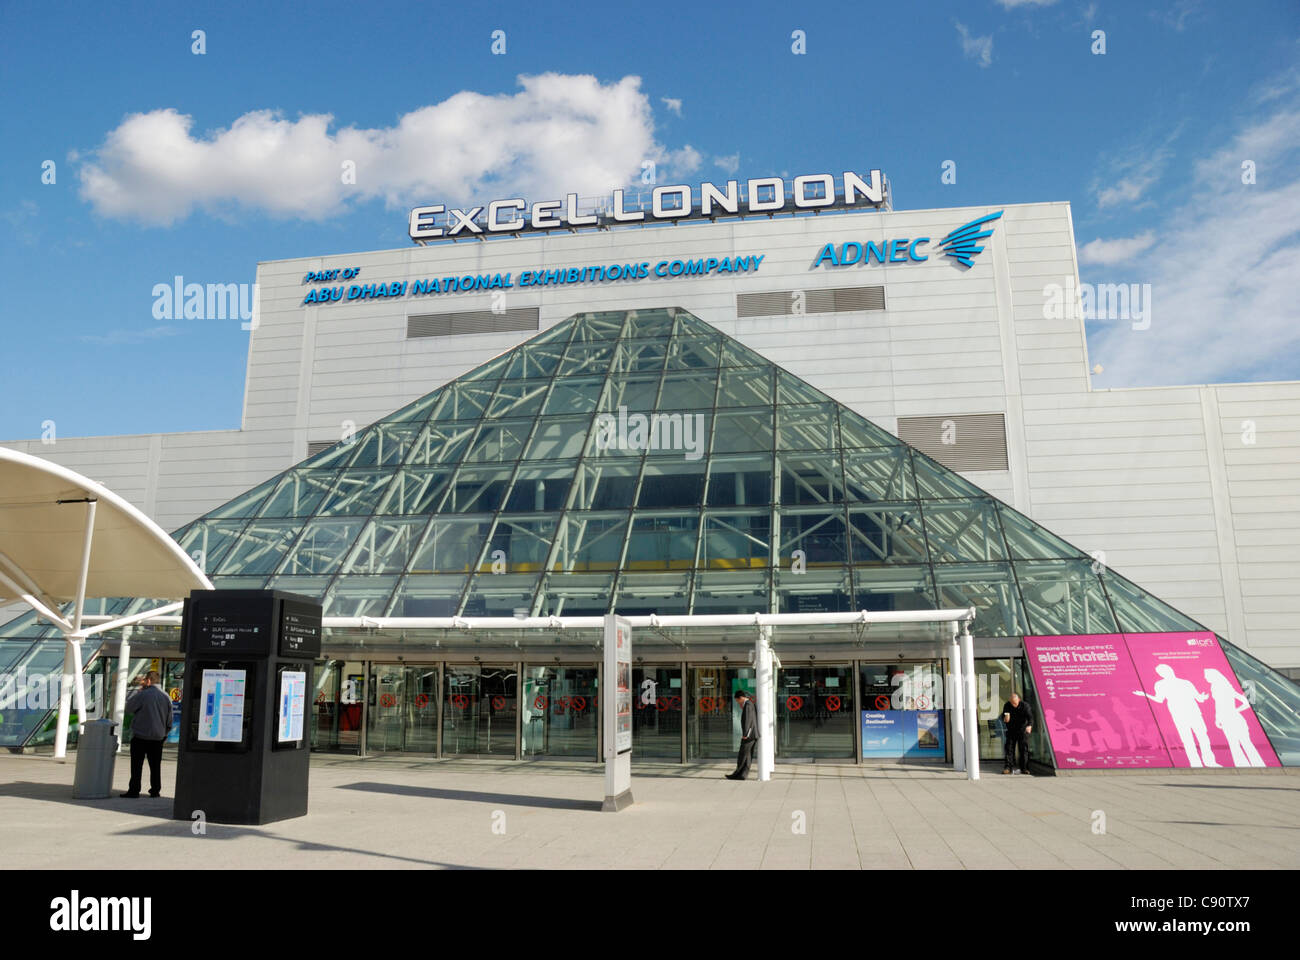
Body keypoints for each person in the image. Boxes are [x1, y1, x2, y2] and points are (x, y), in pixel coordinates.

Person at [121, 671, 173, 798]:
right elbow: (169, 719)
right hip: (158, 737)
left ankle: (134, 790)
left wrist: (138, 692)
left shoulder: (143, 694)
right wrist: (164, 733)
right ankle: (155, 790)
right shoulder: (166, 696)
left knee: (137, 765)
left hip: (141, 736)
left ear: (149, 681)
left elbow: (128, 708)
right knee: (155, 766)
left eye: (144, 680)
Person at [724, 689, 759, 780]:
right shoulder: (750, 704)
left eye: (737, 700)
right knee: (748, 756)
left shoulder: (747, 705)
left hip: (749, 735)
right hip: (753, 735)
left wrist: (745, 734)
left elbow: (748, 720)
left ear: (741, 698)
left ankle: (737, 773)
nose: (737, 702)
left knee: (742, 755)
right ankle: (743, 775)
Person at [1001, 692, 1033, 774]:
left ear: (1018, 699)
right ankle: (1008, 767)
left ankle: (1025, 768)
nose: (1013, 704)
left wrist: (1029, 726)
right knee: (1009, 748)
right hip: (1011, 729)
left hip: (1022, 729)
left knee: (1023, 749)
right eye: (1011, 702)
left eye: (1014, 702)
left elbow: (1030, 718)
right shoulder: (1007, 705)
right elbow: (1003, 718)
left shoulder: (1025, 706)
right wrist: (1005, 719)